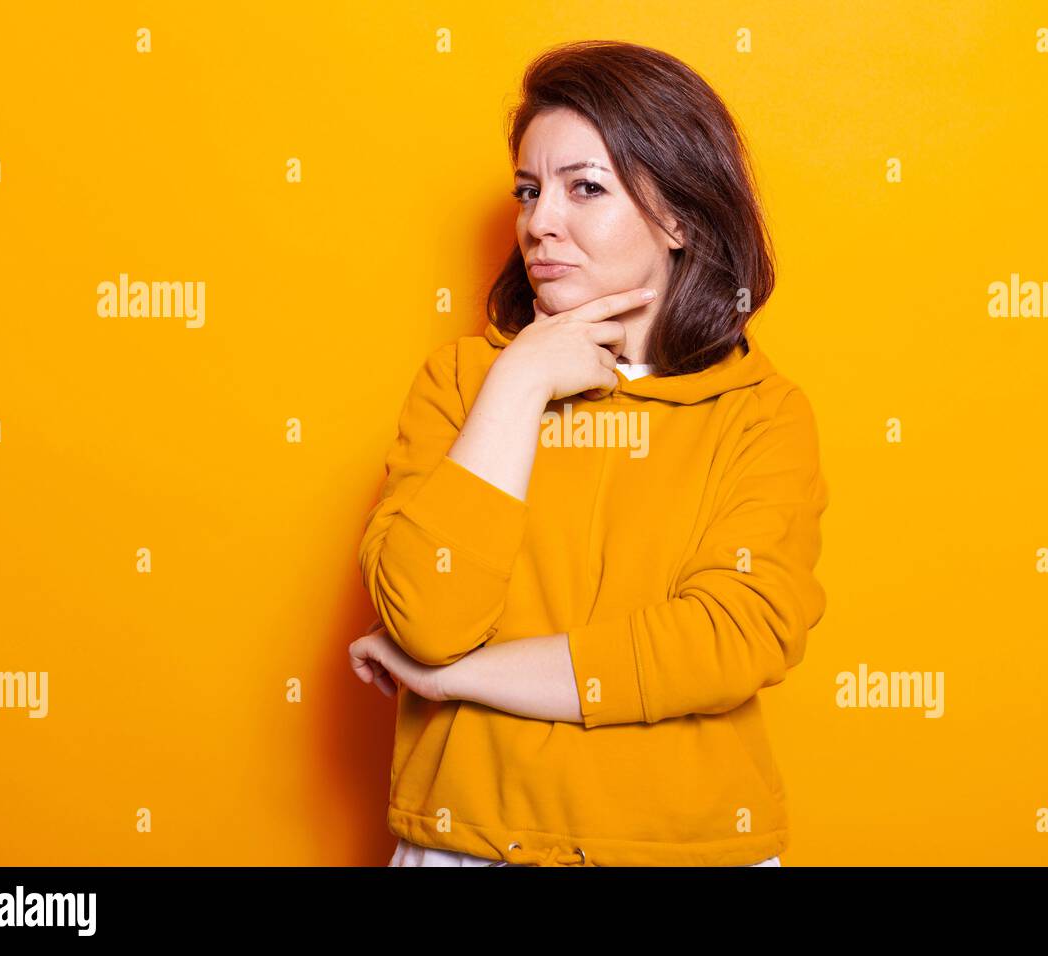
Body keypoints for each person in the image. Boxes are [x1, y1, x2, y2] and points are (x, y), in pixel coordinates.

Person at [351, 39, 828, 867]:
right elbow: (427, 618)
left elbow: (725, 640)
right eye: (529, 191)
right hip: (466, 843)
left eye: (586, 188)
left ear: (679, 217)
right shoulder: (463, 384)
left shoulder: (761, 414)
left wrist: (458, 679)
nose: (540, 222)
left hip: (683, 852)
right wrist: (520, 380)